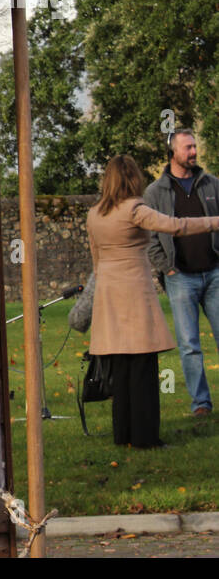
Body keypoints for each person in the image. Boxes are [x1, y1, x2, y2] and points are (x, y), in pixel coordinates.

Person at [87, 155, 219, 448]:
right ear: (133, 178)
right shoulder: (135, 209)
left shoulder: (94, 213)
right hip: (134, 295)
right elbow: (176, 226)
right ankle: (145, 437)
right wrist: (214, 222)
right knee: (142, 368)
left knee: (121, 368)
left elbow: (96, 260)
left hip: (108, 296)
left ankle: (123, 435)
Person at [144, 129, 219, 417]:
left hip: (214, 274)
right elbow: (150, 238)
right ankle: (201, 404)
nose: (194, 152)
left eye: (194, 146)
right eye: (188, 147)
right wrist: (167, 268)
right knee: (189, 345)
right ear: (172, 152)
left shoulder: (212, 185)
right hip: (181, 278)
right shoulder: (155, 192)